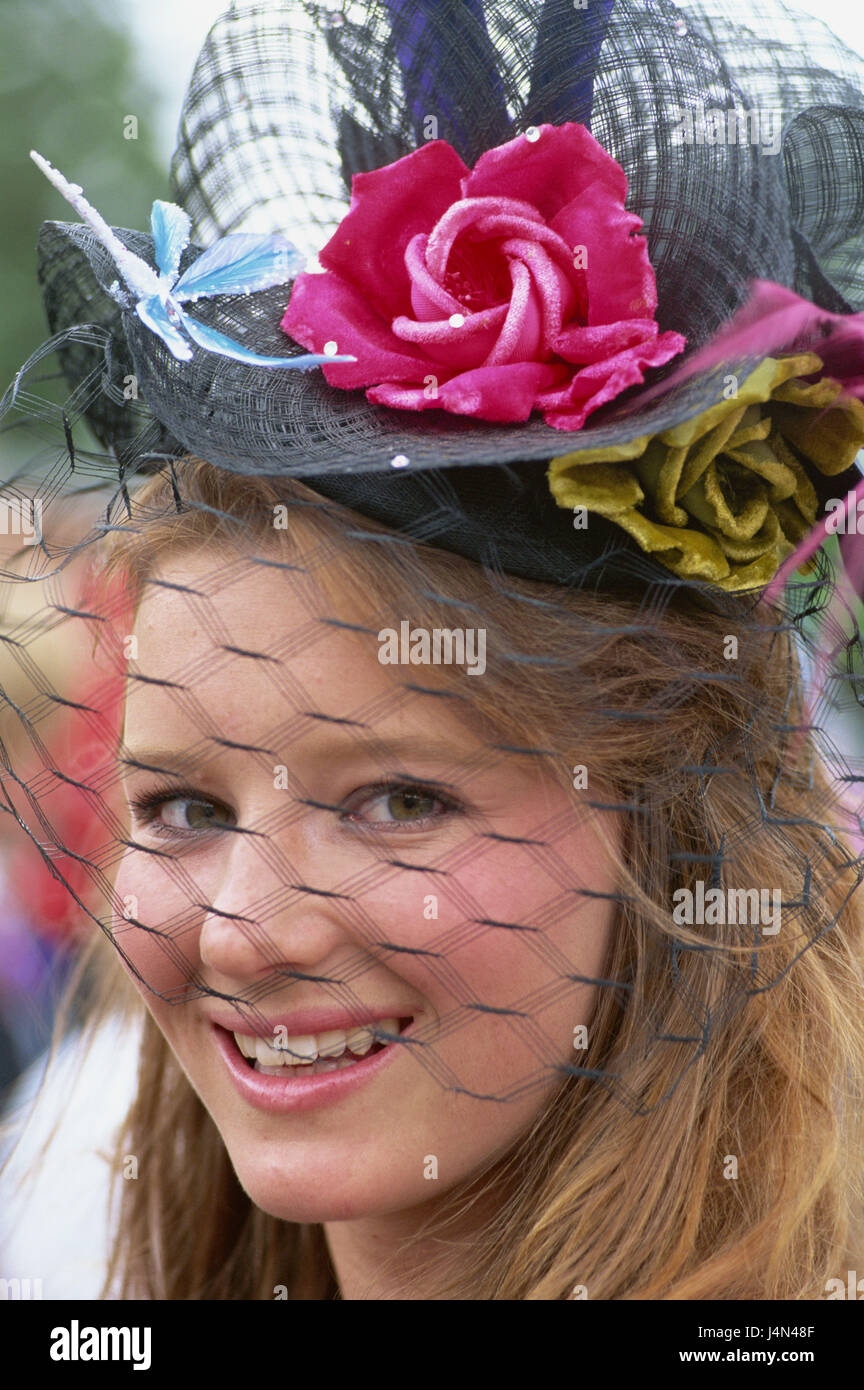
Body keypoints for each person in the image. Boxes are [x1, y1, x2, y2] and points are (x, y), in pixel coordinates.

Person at [3, 0, 864, 1301]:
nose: (240, 931)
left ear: (679, 832)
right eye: (181, 805)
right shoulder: (80, 1255)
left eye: (400, 799)